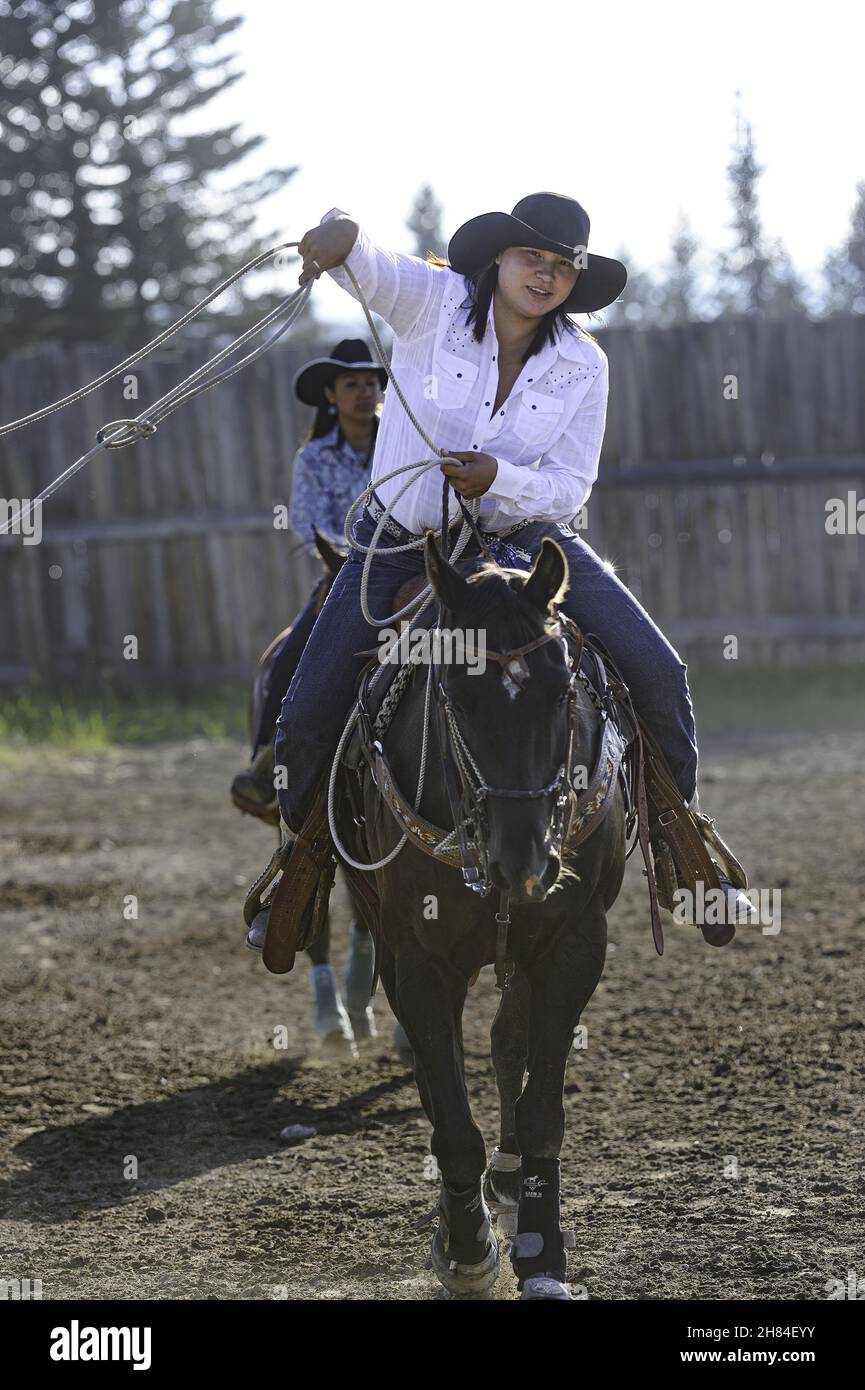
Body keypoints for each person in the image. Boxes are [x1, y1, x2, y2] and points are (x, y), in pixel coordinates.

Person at [273, 192, 752, 933]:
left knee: (658, 672)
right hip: (398, 537)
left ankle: (679, 842)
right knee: (305, 713)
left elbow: (570, 484)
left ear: (574, 282)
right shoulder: (432, 302)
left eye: (562, 266)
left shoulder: (581, 364)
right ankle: (301, 872)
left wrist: (499, 479)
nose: (545, 275)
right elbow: (364, 264)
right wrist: (339, 233)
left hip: (525, 540)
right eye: (532, 257)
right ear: (499, 257)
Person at [231, 338, 385, 816]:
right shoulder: (314, 457)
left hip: (409, 565)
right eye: (351, 384)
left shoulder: (402, 443)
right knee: (291, 656)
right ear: (331, 395)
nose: (363, 392)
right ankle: (269, 762)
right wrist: (345, 556)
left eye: (371, 382)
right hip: (341, 575)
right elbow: (305, 523)